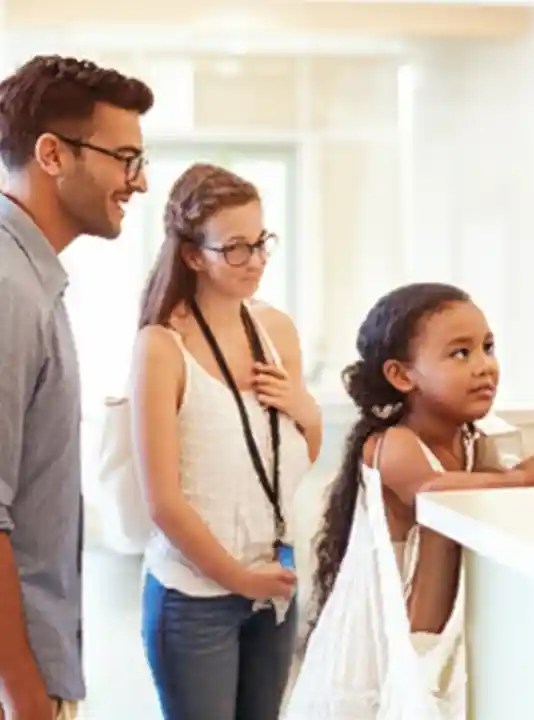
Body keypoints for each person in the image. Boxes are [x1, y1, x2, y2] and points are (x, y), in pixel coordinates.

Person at [293, 282, 534, 716]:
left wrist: (510, 477)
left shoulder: (475, 442)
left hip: (432, 641)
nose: (484, 366)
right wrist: (518, 479)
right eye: (460, 354)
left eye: (488, 347)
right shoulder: (391, 445)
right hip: (383, 643)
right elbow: (434, 493)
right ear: (401, 375)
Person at [132, 163, 322, 719]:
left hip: (273, 586)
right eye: (235, 248)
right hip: (194, 597)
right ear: (194, 255)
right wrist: (238, 577)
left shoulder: (275, 332)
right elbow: (163, 502)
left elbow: (293, 460)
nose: (256, 260)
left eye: (261, 242)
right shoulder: (161, 347)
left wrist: (303, 408)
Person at [0, 56, 152, 720]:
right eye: (124, 158)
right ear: (53, 154)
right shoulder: (8, 288)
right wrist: (26, 699)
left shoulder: (34, 281)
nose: (137, 182)